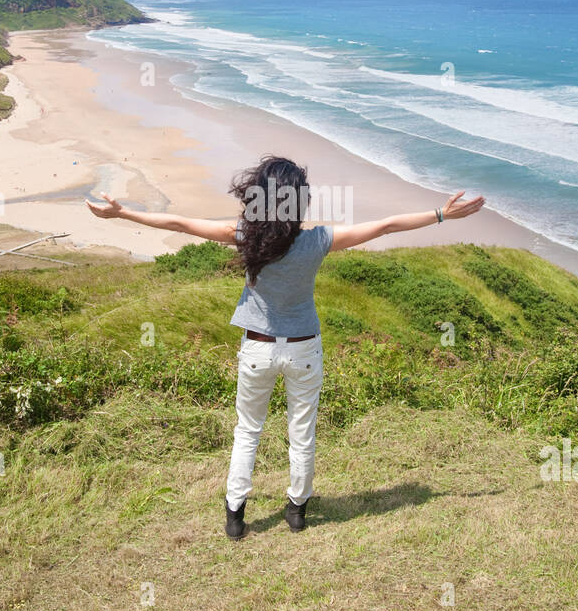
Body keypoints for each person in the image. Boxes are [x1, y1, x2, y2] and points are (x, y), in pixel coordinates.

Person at [86, 155, 485, 539]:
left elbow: (180, 223)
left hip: (257, 350)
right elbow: (385, 227)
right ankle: (296, 511)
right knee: (302, 433)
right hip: (303, 349)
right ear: (299, 201)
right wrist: (440, 214)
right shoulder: (318, 240)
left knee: (248, 431)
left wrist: (123, 214)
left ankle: (235, 516)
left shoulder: (244, 237)